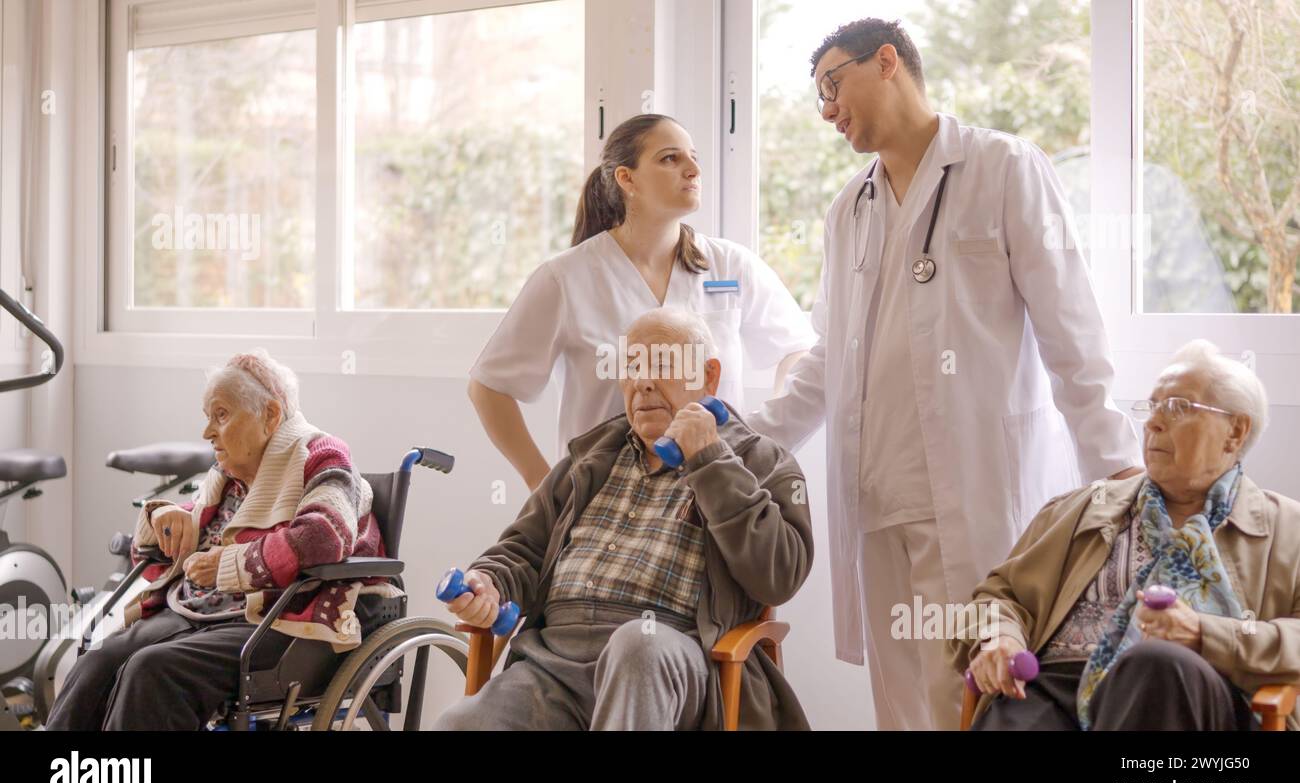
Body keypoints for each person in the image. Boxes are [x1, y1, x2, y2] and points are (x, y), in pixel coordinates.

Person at [746, 18, 1143, 730]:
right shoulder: (849, 210)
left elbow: (1072, 336)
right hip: (876, 496)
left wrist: (1119, 477)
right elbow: (828, 361)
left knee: (970, 691)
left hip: (970, 486)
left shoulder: (1004, 167)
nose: (828, 109)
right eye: (819, 98)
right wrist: (741, 441)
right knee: (901, 704)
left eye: (833, 85)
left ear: (888, 61)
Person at [436, 308, 813, 730]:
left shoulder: (759, 462)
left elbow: (779, 575)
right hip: (553, 666)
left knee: (638, 644)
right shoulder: (590, 459)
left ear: (708, 377)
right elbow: (522, 551)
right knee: (461, 723)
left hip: (671, 658)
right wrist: (489, 582)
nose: (644, 382)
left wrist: (710, 462)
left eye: (663, 364)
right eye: (632, 367)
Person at [951, 340, 1297, 731]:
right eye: (1152, 407)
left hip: (1191, 693)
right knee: (1017, 714)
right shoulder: (1081, 509)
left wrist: (1204, 633)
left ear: (1235, 431)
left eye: (1179, 407)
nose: (1152, 423)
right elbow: (1000, 596)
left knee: (1156, 664)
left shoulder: (1286, 528)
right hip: (1059, 686)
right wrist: (1001, 637)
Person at [46, 350, 393, 730]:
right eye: (208, 418)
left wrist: (230, 565)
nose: (207, 432)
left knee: (154, 671)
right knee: (98, 662)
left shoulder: (321, 456)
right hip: (205, 614)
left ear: (271, 415)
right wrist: (162, 517)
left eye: (221, 415)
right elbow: (153, 555)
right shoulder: (227, 478)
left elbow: (324, 536)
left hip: (285, 620)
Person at [470, 114, 815, 491]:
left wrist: (763, 443)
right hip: (604, 502)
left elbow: (798, 350)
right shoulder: (566, 279)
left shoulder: (732, 265)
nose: (693, 169)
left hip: (714, 495)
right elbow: (489, 386)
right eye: (670, 158)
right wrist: (544, 485)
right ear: (626, 179)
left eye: (694, 157)